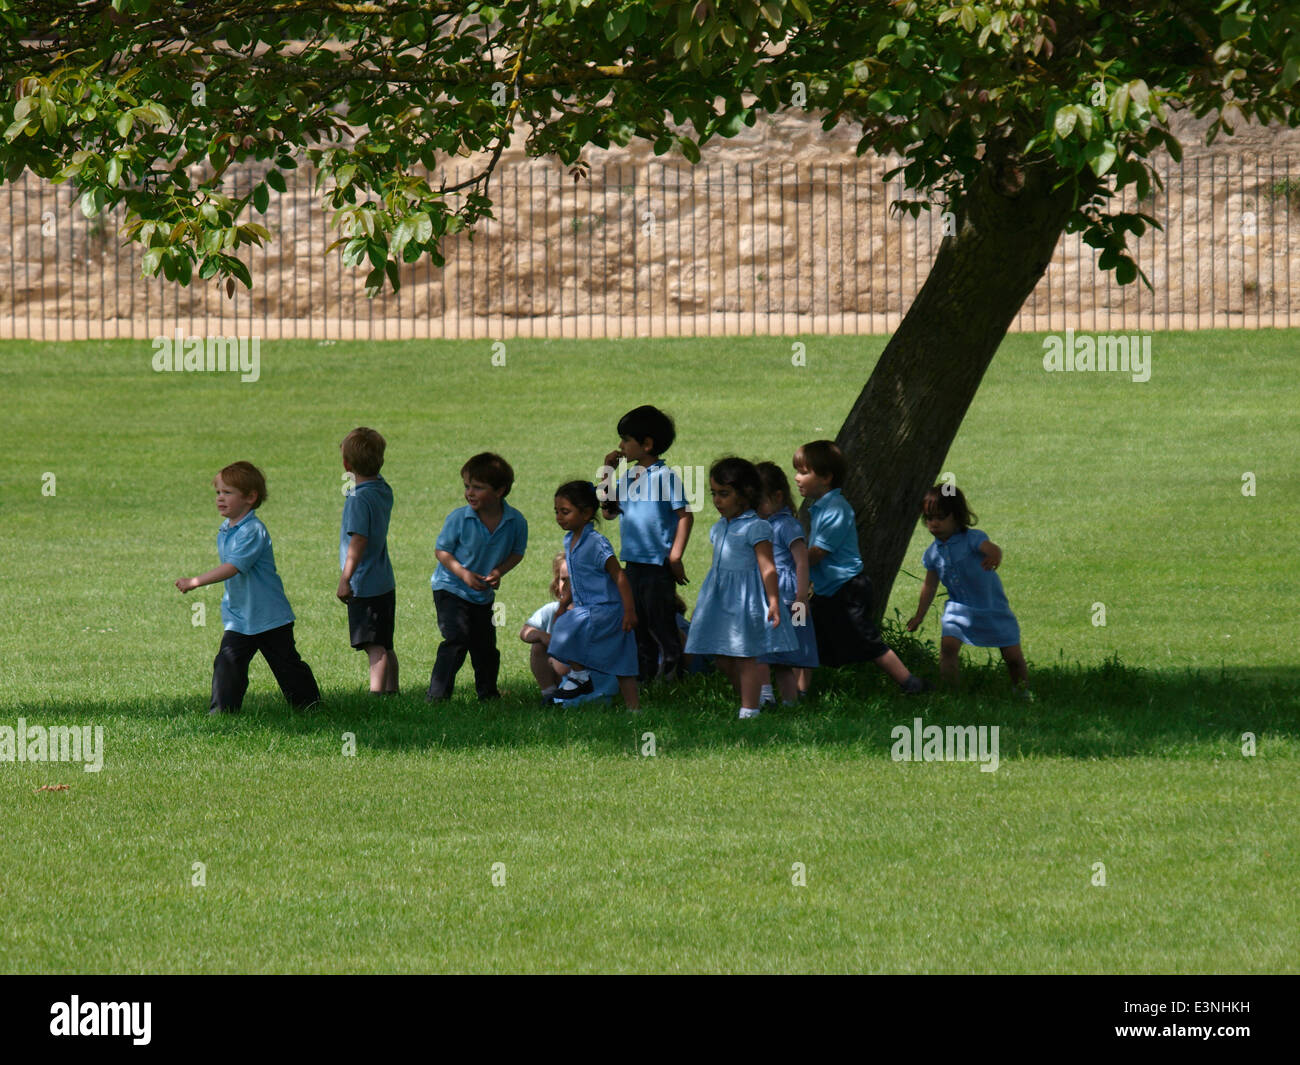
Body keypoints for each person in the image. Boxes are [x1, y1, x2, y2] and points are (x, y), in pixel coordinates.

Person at [176, 461, 321, 714]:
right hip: (240, 617)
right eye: (218, 493)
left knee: (286, 664)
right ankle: (222, 712)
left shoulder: (253, 530)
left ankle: (309, 706)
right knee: (228, 662)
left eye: (228, 493)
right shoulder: (226, 529)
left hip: (269, 616)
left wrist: (195, 581)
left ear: (250, 497)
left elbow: (233, 567)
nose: (220, 498)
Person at [792, 440, 929, 694]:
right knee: (807, 636)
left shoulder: (836, 509)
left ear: (826, 477)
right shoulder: (819, 507)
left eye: (803, 472)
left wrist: (791, 563)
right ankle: (799, 693)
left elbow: (819, 553)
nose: (797, 478)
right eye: (797, 471)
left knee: (866, 639)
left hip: (848, 589)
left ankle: (910, 683)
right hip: (827, 590)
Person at [684, 457, 797, 719]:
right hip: (721, 599)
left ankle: (750, 710)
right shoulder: (719, 528)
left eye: (724, 494)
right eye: (714, 493)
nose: (717, 500)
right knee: (723, 658)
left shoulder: (757, 527)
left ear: (746, 494)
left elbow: (768, 568)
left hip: (745, 601)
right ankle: (753, 698)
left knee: (746, 656)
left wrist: (773, 601)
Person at [598, 405, 693, 683]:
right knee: (638, 623)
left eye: (626, 439)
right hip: (633, 565)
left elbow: (685, 516)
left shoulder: (666, 477)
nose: (620, 445)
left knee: (660, 622)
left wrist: (675, 557)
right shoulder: (629, 476)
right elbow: (608, 511)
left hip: (657, 565)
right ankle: (645, 676)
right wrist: (607, 471)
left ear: (647, 444)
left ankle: (673, 675)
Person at [907, 485, 1029, 694]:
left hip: (993, 608)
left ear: (957, 516)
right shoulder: (932, 553)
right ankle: (951, 691)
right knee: (948, 648)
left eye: (940, 517)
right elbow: (930, 585)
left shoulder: (971, 539)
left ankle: (1022, 691)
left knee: (1012, 657)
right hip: (958, 609)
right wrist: (919, 615)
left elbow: (991, 548)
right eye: (928, 518)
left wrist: (995, 556)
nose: (933, 523)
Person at [427, 452, 527, 702]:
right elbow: (442, 551)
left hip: (482, 595)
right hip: (450, 587)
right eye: (467, 486)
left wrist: (498, 572)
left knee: (485, 647)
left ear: (500, 490)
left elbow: (517, 553)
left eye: (478, 487)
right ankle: (437, 696)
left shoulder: (516, 522)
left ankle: (488, 694)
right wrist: (463, 573)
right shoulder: (459, 518)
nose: (469, 492)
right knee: (457, 639)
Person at [547, 481, 639, 710]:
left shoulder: (596, 543)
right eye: (556, 511)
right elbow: (574, 580)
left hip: (606, 608)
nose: (559, 517)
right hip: (588, 609)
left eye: (565, 512)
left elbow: (619, 575)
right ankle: (631, 708)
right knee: (619, 658)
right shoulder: (569, 541)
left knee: (568, 628)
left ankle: (581, 676)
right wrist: (562, 605)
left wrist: (629, 610)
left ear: (587, 513)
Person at [336, 427, 397, 694]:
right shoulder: (382, 489)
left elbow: (357, 541)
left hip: (365, 582)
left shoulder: (358, 499)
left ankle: (377, 695)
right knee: (385, 642)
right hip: (384, 579)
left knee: (374, 646)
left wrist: (345, 578)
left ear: (346, 464)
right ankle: (392, 691)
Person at [755, 461, 817, 704]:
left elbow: (801, 561)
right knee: (769, 648)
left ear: (778, 496)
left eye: (759, 501)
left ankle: (787, 699)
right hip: (769, 594)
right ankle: (770, 696)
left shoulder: (787, 525)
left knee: (790, 649)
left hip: (789, 596)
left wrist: (802, 597)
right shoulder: (764, 524)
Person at [519, 553, 570, 702]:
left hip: (582, 673)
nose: (568, 586)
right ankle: (549, 693)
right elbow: (525, 631)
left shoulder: (589, 612)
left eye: (573, 580)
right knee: (538, 647)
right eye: (563, 580)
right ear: (556, 584)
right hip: (557, 670)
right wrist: (542, 636)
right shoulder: (551, 610)